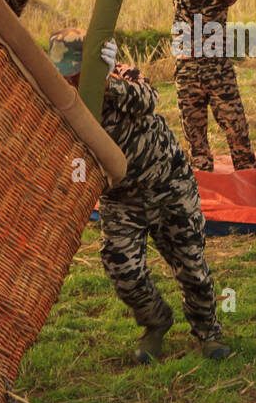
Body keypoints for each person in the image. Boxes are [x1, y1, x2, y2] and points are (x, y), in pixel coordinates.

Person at [49, 26, 230, 363]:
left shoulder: (120, 75)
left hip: (169, 185)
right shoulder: (57, 101)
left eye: (74, 71)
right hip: (121, 200)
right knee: (123, 271)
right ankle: (156, 323)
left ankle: (208, 331)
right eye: (63, 73)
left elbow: (149, 100)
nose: (69, 80)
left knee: (192, 267)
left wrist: (108, 83)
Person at [148, 0, 256, 172]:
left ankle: (250, 177)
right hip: (187, 70)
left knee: (236, 129)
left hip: (218, 70)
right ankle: (202, 185)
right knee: (195, 138)